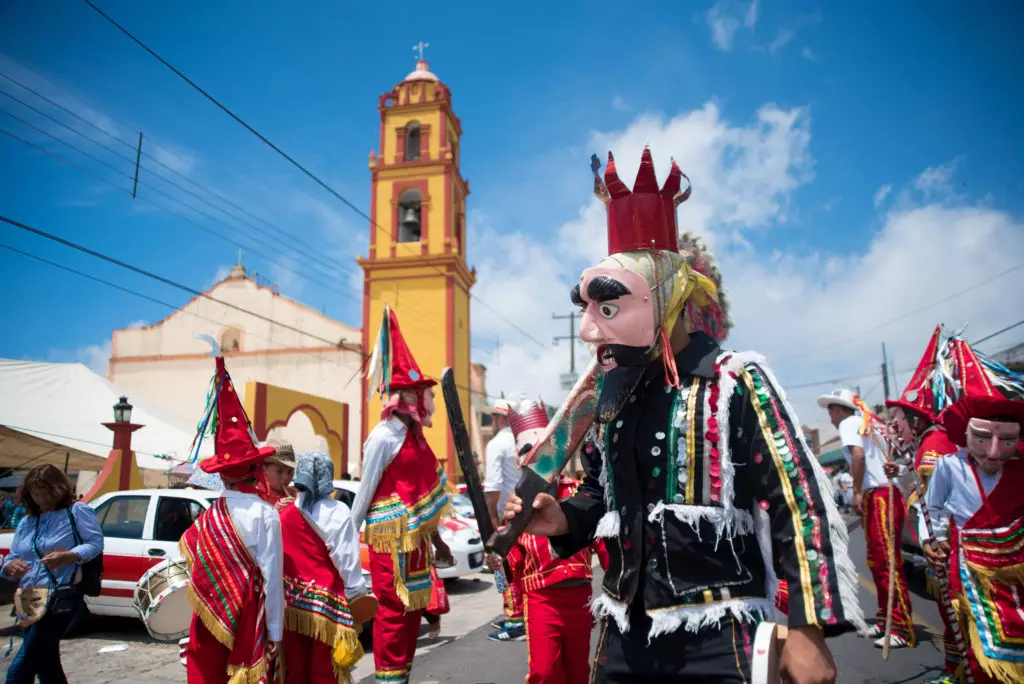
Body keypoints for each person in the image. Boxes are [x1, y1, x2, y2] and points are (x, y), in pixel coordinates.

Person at [506, 149, 862, 683]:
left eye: (607, 309)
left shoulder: (735, 382)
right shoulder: (609, 397)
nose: (588, 331)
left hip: (720, 639)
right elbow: (602, 495)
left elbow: (800, 501)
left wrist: (808, 630)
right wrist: (564, 519)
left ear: (664, 297)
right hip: (624, 637)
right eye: (587, 309)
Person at [351, 305, 454, 684]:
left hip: (413, 542)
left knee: (412, 613)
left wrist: (438, 542)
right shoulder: (382, 437)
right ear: (406, 396)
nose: (429, 400)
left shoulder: (414, 437)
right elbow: (363, 494)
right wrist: (348, 542)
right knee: (392, 614)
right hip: (388, 540)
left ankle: (403, 678)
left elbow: (422, 499)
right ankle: (389, 681)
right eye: (423, 392)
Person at [179, 356, 284, 684]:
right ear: (256, 471)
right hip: (247, 615)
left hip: (208, 617)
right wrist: (276, 631)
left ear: (222, 476)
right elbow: (273, 577)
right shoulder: (265, 514)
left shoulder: (207, 517)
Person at [488, 399, 608, 684]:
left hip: (579, 596)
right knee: (544, 672)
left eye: (542, 451)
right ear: (520, 458)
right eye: (528, 452)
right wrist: (497, 561)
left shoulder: (580, 494)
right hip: (541, 599)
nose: (535, 459)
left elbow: (602, 543)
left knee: (578, 671)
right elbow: (512, 561)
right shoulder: (517, 506)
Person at [922, 394, 1024, 684]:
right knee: (973, 634)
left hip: (1016, 567)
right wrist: (933, 539)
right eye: (981, 439)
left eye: (1006, 442)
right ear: (967, 434)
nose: (992, 453)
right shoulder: (949, 466)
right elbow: (933, 507)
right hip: (967, 565)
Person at [882, 325, 961, 680]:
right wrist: (900, 467)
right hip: (949, 548)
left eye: (898, 418)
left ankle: (962, 673)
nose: (894, 426)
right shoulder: (929, 443)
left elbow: (939, 503)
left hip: (955, 549)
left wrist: (934, 542)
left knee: (957, 615)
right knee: (952, 615)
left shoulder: (932, 446)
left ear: (915, 418)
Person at [818, 388, 913, 649]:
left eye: (831, 409)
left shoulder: (849, 423)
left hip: (880, 496)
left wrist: (857, 492)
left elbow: (858, 456)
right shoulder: (864, 422)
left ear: (840, 409)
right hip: (883, 495)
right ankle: (886, 619)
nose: (829, 416)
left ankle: (900, 626)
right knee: (877, 561)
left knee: (886, 562)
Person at [1, 464, 103, 684]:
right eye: (36, 494)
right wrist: (9, 566)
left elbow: (95, 543)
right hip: (29, 596)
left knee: (22, 665)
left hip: (60, 595)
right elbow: (14, 554)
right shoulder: (28, 521)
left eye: (46, 492)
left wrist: (68, 556)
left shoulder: (76, 512)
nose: (41, 498)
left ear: (59, 489)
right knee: (47, 663)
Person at [280, 450, 376, 684]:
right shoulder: (338, 512)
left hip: (291, 607)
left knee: (295, 670)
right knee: (326, 672)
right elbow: (346, 560)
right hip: (328, 607)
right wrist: (357, 594)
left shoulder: (286, 514)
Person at [483, 400, 526, 642]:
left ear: (500, 419)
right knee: (520, 569)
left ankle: (514, 621)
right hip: (526, 515)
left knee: (505, 568)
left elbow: (492, 487)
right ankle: (520, 616)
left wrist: (491, 519)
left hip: (505, 516)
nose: (491, 423)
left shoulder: (497, 443)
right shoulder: (521, 439)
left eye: (492, 419)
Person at [258, 439, 298, 510]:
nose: (286, 477)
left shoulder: (296, 495)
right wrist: (273, 513)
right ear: (263, 469)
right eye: (279, 471)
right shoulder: (254, 495)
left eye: (290, 471)